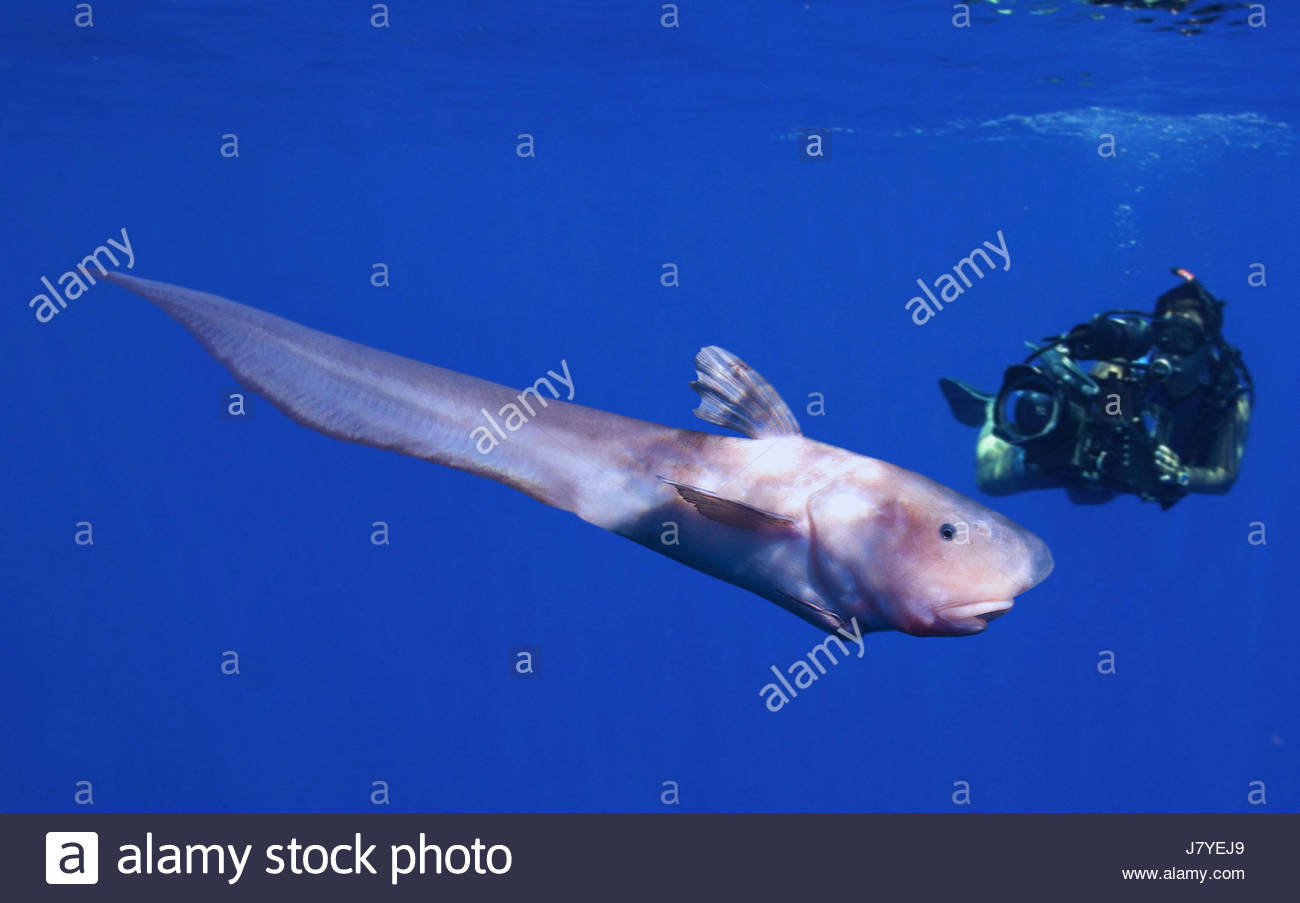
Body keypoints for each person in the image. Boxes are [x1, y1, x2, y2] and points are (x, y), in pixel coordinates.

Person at [939, 268, 1252, 509]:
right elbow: (1108, 393)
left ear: (1206, 346)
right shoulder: (1127, 368)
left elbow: (1224, 475)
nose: (1168, 351)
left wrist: (1182, 474)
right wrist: (1112, 415)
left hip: (1139, 472)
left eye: (1183, 340)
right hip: (1105, 452)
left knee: (1089, 499)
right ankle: (996, 411)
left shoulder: (1227, 399)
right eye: (1164, 337)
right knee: (991, 480)